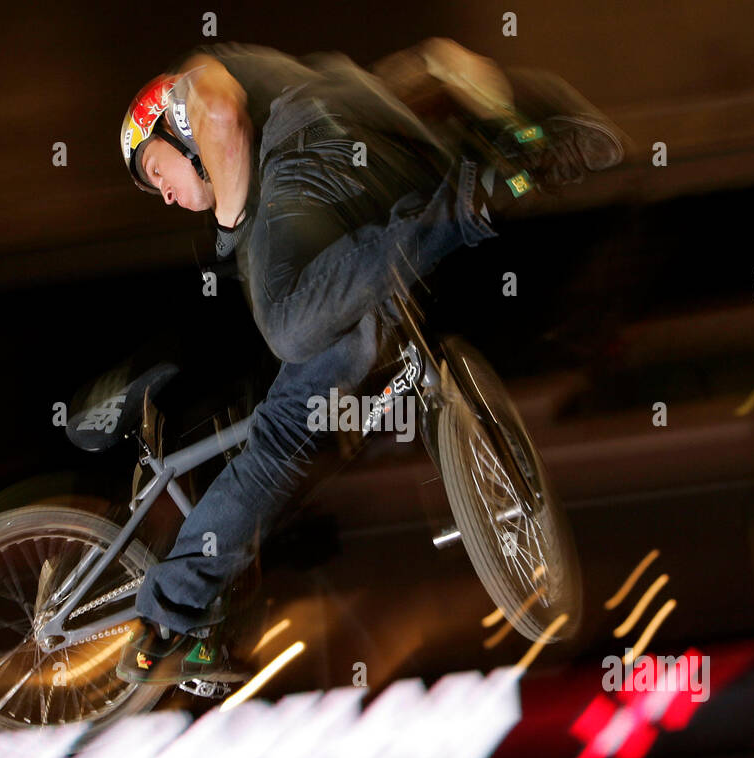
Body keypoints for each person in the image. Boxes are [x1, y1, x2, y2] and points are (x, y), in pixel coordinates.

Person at [114, 39, 626, 687]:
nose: (162, 195)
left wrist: (233, 215)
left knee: (292, 323)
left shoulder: (195, 87)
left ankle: (473, 195)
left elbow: (219, 113)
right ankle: (179, 613)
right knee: (281, 437)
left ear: (170, 128)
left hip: (328, 152)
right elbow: (422, 71)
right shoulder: (276, 207)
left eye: (157, 172)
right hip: (379, 184)